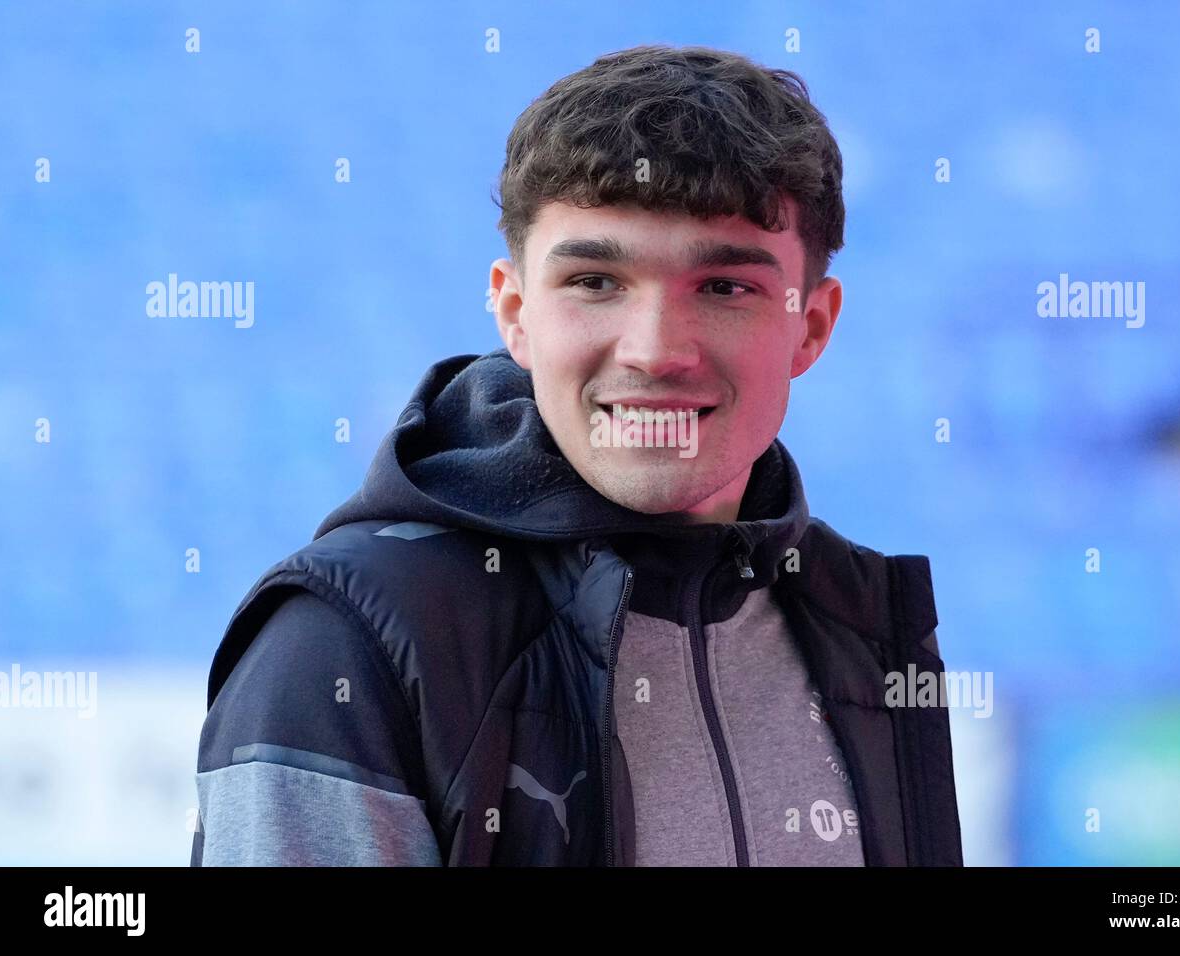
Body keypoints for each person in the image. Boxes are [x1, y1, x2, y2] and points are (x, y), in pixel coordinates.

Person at [191, 43, 963, 867]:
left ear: (812, 324)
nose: (657, 351)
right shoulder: (343, 645)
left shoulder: (864, 626)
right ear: (515, 312)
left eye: (725, 287)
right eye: (595, 281)